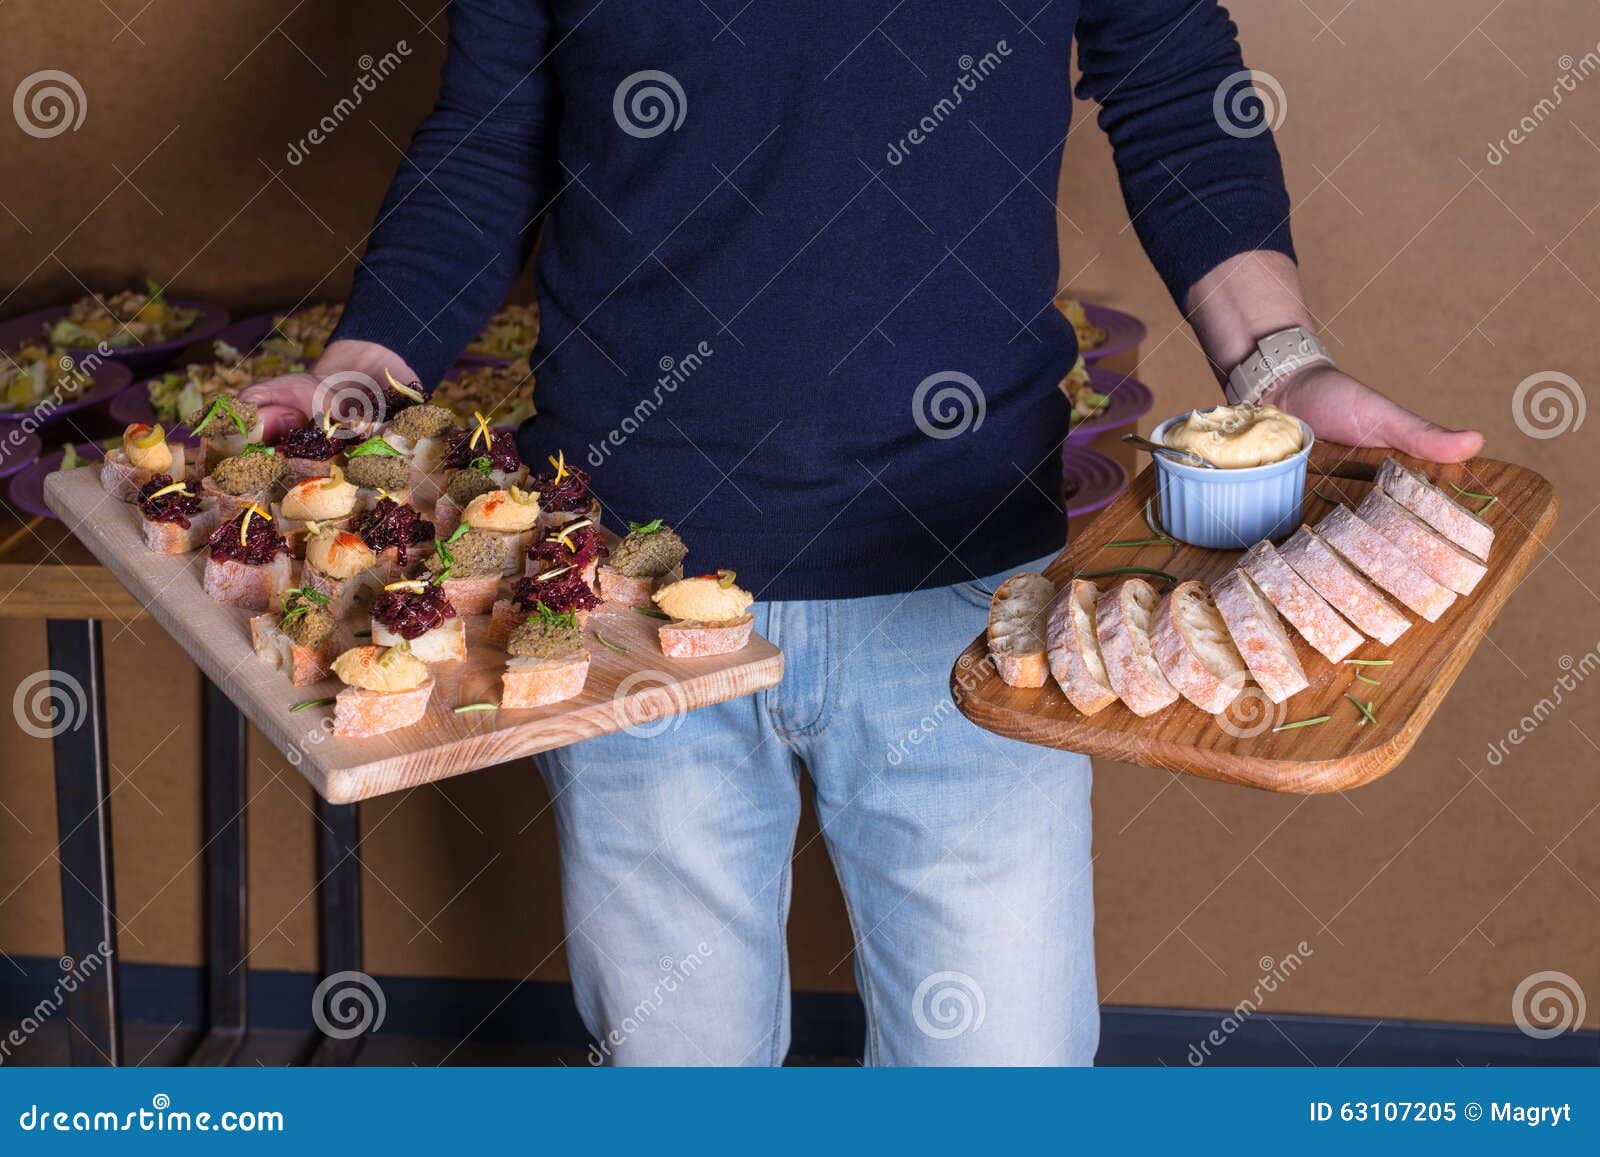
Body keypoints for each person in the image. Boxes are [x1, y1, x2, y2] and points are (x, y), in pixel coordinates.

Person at [242, 1, 1482, 1065]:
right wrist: (363, 362)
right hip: (619, 584)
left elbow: (1168, 73)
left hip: (966, 580)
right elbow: (491, 124)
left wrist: (1282, 367)